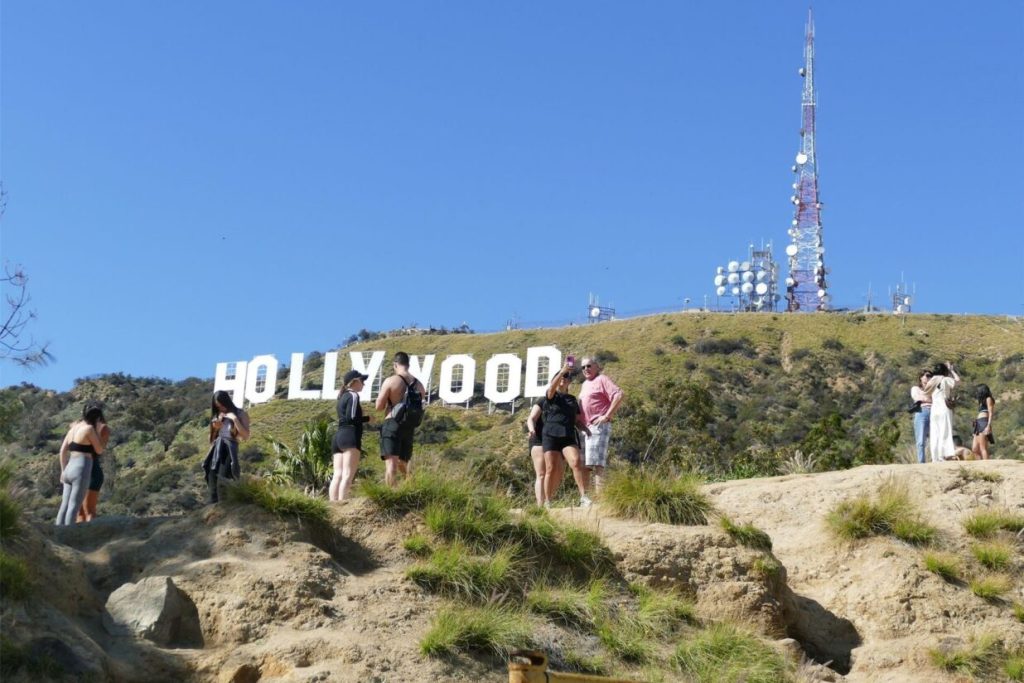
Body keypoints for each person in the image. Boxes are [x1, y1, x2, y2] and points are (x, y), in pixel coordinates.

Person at [541, 364, 591, 507]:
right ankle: (547, 501)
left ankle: (583, 497)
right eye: (562, 376)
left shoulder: (572, 399)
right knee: (551, 468)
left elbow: (576, 420)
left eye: (567, 377)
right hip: (550, 434)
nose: (564, 378)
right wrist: (563, 370)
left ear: (570, 382)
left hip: (568, 434)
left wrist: (584, 428)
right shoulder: (551, 395)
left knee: (576, 462)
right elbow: (551, 389)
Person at [375, 352, 426, 488]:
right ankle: (412, 489)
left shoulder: (391, 381)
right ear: (408, 365)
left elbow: (379, 407)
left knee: (391, 464)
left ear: (395, 365)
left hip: (392, 423)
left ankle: (391, 496)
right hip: (409, 426)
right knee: (404, 463)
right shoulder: (419, 385)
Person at [578, 356, 624, 495]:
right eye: (583, 367)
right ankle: (586, 499)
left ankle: (601, 500)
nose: (586, 369)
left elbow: (619, 394)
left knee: (598, 464)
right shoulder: (585, 384)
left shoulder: (602, 379)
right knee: (584, 465)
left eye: (589, 366)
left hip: (598, 426)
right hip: (585, 429)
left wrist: (607, 416)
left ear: (597, 367)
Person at [56, 403, 106, 526]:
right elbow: (99, 450)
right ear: (97, 418)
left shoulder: (73, 429)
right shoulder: (89, 429)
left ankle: (57, 535)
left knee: (64, 505)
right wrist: (98, 431)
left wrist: (63, 471)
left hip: (69, 468)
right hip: (81, 468)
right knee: (74, 505)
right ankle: (68, 536)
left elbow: (62, 451)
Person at [202, 390, 250, 503]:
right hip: (216, 447)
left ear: (227, 402)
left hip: (229, 447)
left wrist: (234, 419)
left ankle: (224, 504)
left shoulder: (240, 413)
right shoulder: (217, 416)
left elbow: (246, 436)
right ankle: (213, 506)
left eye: (222, 405)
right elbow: (211, 440)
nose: (221, 408)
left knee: (223, 478)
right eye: (218, 407)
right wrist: (216, 428)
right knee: (211, 474)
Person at [330, 370, 370, 502]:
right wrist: (367, 419)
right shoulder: (353, 395)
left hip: (338, 437)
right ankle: (342, 504)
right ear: (355, 381)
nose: (363, 384)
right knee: (348, 474)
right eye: (362, 381)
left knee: (337, 475)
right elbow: (351, 417)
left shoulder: (341, 397)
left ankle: (333, 504)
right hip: (350, 436)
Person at [77, 415, 111, 522]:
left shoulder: (81, 428)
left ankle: (87, 535)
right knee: (83, 511)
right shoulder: (101, 428)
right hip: (87, 470)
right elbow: (100, 449)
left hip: (87, 470)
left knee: (86, 510)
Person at [924, 361, 960, 462]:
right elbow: (957, 381)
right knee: (944, 431)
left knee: (935, 433)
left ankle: (934, 457)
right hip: (944, 408)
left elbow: (926, 394)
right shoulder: (945, 379)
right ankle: (942, 455)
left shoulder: (931, 382)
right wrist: (951, 370)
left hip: (934, 409)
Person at [909, 369, 933, 464]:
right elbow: (918, 398)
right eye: (926, 375)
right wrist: (929, 399)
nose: (928, 377)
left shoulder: (933, 389)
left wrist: (926, 399)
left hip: (934, 412)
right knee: (921, 440)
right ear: (921, 377)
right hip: (921, 412)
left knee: (935, 438)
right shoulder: (915, 388)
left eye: (930, 376)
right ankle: (921, 462)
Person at [971, 384, 996, 460]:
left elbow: (990, 412)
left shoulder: (988, 399)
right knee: (975, 449)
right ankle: (980, 466)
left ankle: (986, 466)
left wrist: (988, 425)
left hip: (984, 423)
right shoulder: (981, 401)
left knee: (982, 447)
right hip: (979, 423)